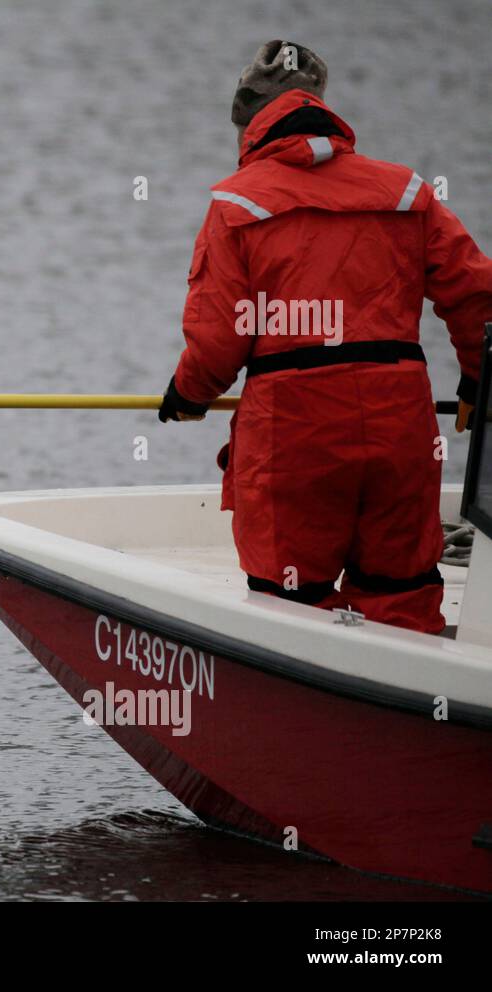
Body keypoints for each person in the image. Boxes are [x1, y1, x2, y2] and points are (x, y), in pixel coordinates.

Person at [158, 40, 492, 634]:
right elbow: (475, 296)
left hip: (293, 430)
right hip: (400, 422)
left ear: (249, 122)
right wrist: (476, 381)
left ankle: (301, 715)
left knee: (291, 605)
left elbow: (217, 338)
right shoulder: (407, 191)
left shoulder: (236, 203)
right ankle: (412, 713)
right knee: (402, 591)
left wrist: (189, 396)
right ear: (322, 107)